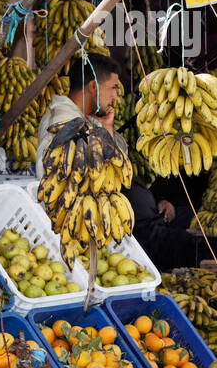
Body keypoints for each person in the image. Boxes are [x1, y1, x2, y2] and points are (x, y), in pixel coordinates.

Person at [35, 53, 195, 269]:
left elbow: (117, 166)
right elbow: (90, 178)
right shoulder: (63, 123)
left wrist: (108, 128)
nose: (116, 97)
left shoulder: (87, 120)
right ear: (93, 87)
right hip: (80, 231)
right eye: (112, 88)